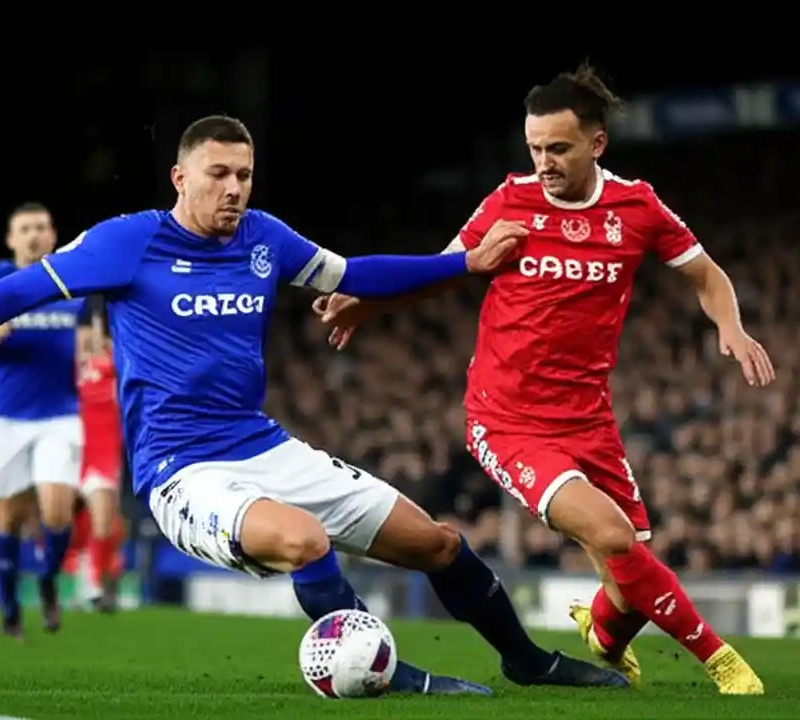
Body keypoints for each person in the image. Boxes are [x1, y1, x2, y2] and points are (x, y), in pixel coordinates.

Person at [0, 114, 626, 695]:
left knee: (442, 544)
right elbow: (11, 293)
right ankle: (383, 674)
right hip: (181, 473)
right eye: (219, 174)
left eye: (244, 175)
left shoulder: (264, 240)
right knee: (305, 540)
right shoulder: (128, 242)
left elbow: (355, 273)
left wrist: (462, 262)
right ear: (181, 179)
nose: (234, 188)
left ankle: (527, 661)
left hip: (262, 445)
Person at [312, 64, 774, 695]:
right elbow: (445, 267)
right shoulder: (509, 201)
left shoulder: (636, 207)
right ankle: (722, 660)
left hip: (589, 418)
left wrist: (731, 326)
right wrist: (366, 303)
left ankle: (604, 633)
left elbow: (706, 274)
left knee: (628, 575)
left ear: (596, 143)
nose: (544, 162)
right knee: (615, 538)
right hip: (507, 420)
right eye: (534, 148)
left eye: (558, 148)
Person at [0, 201, 84, 639]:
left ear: (53, 233)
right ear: (11, 239)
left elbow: (94, 342)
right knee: (7, 518)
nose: (33, 235)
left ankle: (46, 581)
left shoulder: (74, 280)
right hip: (5, 418)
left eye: (41, 227)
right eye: (24, 228)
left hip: (62, 415)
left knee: (57, 510)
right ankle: (8, 609)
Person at [70, 295, 126, 612]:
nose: (86, 341)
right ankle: (83, 569)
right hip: (71, 455)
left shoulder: (115, 367)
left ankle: (95, 581)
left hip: (103, 457)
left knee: (105, 523)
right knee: (61, 523)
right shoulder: (68, 372)